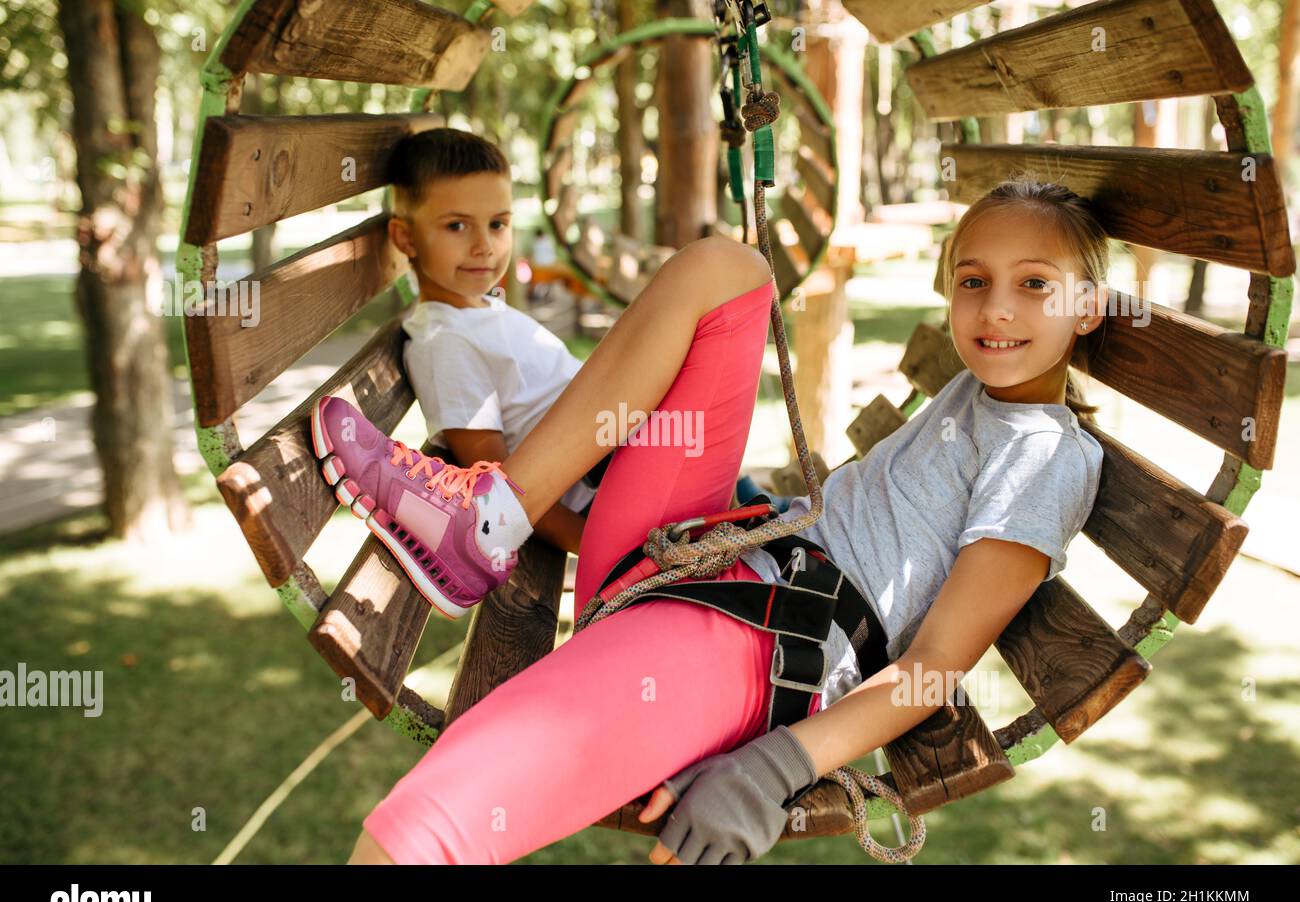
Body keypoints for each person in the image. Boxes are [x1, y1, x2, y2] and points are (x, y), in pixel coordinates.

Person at [316, 174, 1106, 865]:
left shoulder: (1045, 458)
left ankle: (488, 526)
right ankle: (490, 519)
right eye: (973, 280)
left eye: (1035, 285)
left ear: (1090, 307)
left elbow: (935, 668)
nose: (996, 308)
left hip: (754, 640)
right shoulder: (984, 392)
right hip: (703, 549)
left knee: (428, 825)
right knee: (728, 269)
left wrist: (776, 767)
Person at [379, 128, 766, 558]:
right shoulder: (444, 342)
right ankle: (758, 512)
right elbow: (493, 489)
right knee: (721, 266)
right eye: (456, 225)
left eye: (498, 224)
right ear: (406, 238)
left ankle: (757, 510)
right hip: (623, 495)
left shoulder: (481, 316)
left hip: (646, 463)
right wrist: (600, 552)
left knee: (728, 275)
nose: (483, 246)